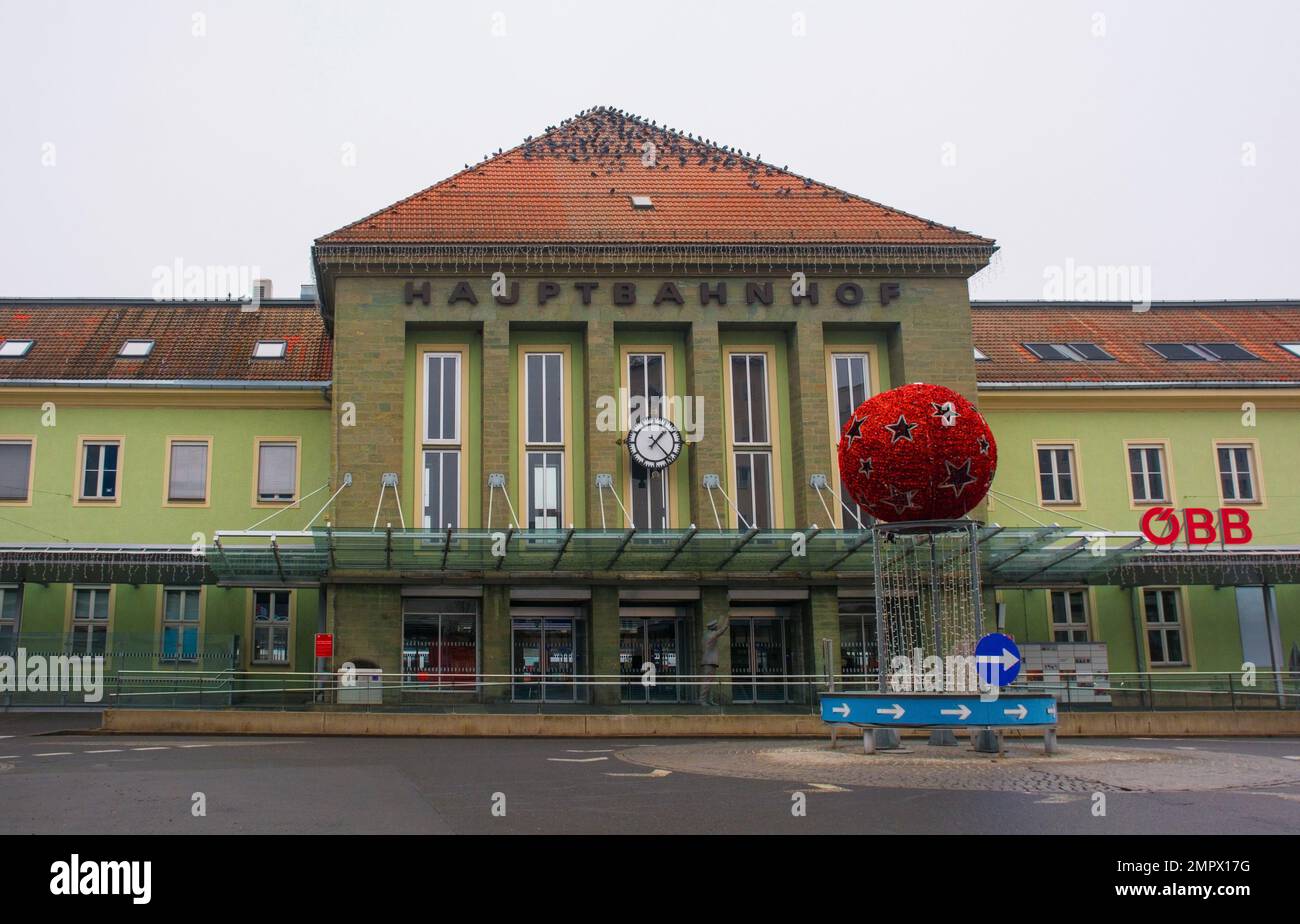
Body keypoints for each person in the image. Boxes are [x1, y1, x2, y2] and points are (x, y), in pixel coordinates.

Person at [699, 618, 727, 705]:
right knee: (707, 681)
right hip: (709, 661)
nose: (717, 626)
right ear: (714, 627)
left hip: (709, 661)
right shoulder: (712, 635)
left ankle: (709, 700)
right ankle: (703, 700)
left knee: (710, 681)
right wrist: (728, 619)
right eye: (716, 626)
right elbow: (723, 629)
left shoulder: (706, 635)